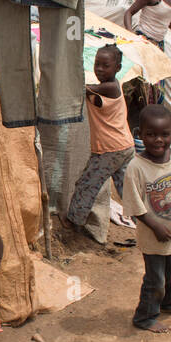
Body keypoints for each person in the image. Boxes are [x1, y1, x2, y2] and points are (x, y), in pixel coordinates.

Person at [124, 105, 171, 333]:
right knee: (155, 280)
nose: (158, 140)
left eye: (164, 134)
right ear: (139, 134)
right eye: (151, 134)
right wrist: (156, 226)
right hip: (153, 235)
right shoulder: (136, 167)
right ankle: (145, 317)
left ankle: (168, 305)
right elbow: (134, 206)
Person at [64, 44, 135, 231]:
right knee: (127, 190)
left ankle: (73, 224)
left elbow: (82, 89)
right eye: (97, 64)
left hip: (109, 149)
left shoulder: (110, 87)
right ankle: (149, 219)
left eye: (106, 65)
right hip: (124, 145)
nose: (100, 69)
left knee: (86, 185)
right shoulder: (106, 87)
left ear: (117, 68)